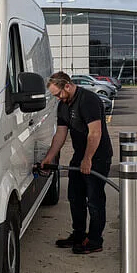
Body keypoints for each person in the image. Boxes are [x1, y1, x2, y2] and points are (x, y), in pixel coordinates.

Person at [41, 71, 114, 254]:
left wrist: (88, 159)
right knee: (75, 197)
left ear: (67, 85)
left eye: (58, 94)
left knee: (94, 199)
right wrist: (50, 156)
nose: (58, 98)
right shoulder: (63, 105)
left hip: (97, 157)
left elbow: (95, 133)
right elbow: (60, 134)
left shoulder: (88, 100)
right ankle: (79, 234)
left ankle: (95, 240)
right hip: (80, 155)